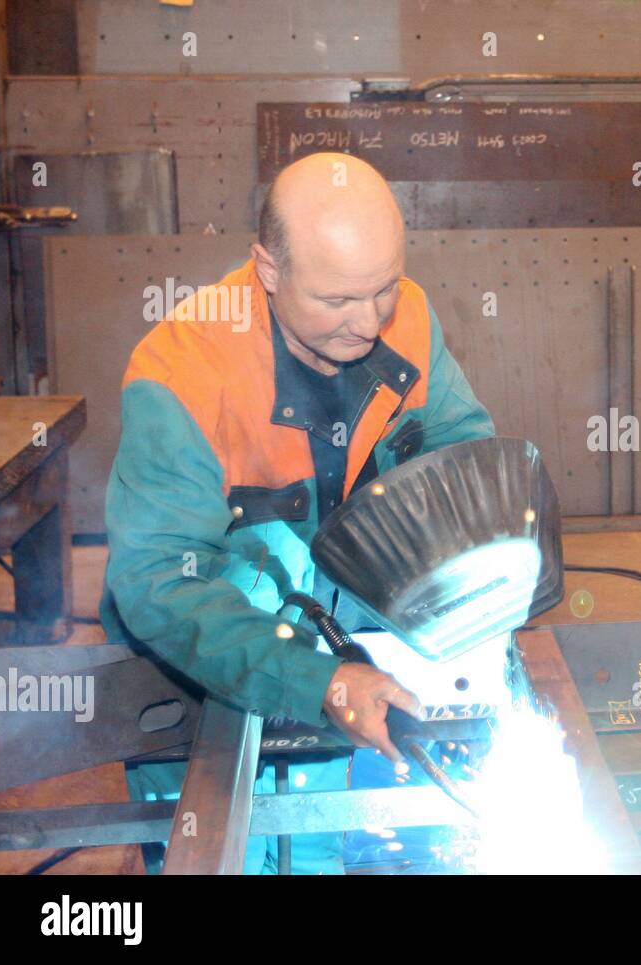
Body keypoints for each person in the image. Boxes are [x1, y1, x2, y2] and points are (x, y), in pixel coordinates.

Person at [100, 152, 496, 873]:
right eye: (339, 301)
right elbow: (159, 583)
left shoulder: (407, 318)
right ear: (268, 269)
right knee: (219, 851)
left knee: (321, 840)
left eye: (383, 290)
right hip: (199, 661)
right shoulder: (182, 377)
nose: (370, 322)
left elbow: (462, 453)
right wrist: (317, 682)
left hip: (347, 644)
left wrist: (476, 581)